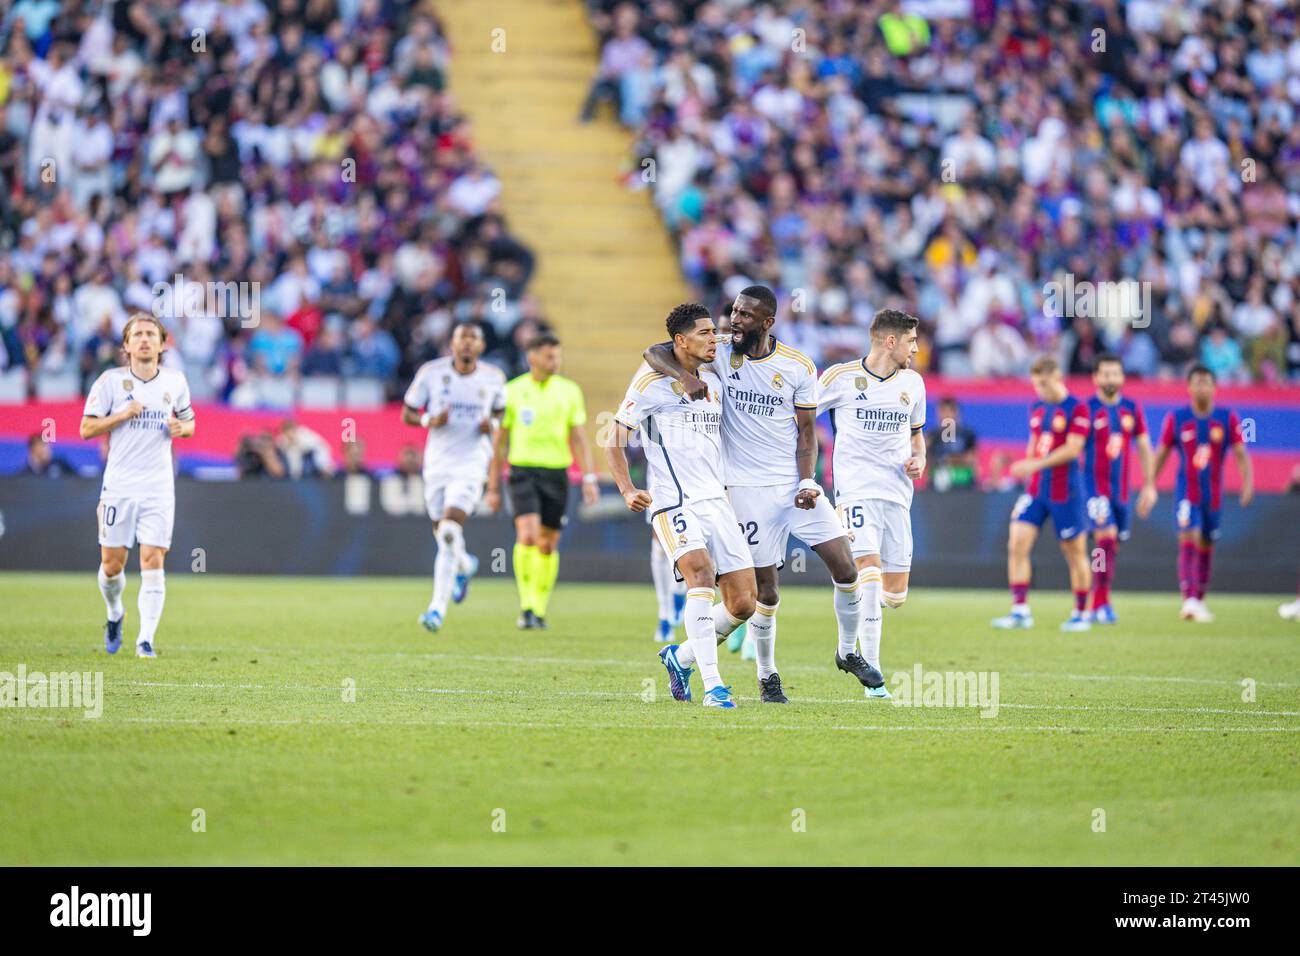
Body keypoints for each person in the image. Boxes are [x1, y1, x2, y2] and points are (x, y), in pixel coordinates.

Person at [644, 285, 875, 702]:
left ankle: (847, 652)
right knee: (761, 594)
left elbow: (808, 432)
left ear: (768, 322)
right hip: (744, 489)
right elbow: (653, 352)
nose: (735, 321)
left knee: (846, 566)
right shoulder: (718, 358)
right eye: (734, 312)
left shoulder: (797, 366)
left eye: (746, 315)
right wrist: (682, 377)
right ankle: (767, 676)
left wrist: (808, 480)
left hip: (793, 486)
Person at [607, 303, 756, 708]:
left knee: (744, 603)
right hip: (673, 501)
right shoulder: (649, 383)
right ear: (680, 340)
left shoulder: (715, 376)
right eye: (705, 333)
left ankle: (681, 656)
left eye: (714, 332)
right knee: (701, 578)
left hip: (716, 500)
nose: (714, 339)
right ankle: (714, 687)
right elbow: (614, 439)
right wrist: (626, 489)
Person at [818, 310, 927, 698]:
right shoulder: (839, 378)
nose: (917, 348)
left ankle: (854, 629)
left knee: (893, 596)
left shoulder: (913, 384)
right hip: (855, 489)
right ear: (890, 341)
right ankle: (870, 672)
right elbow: (799, 419)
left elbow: (917, 435)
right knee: (868, 569)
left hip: (896, 493)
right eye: (912, 341)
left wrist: (921, 459)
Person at [79, 313, 195, 658]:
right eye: (137, 335)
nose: (144, 340)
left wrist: (181, 429)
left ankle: (145, 640)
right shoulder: (109, 382)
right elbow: (86, 429)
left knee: (152, 558)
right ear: (126, 346)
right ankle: (115, 613)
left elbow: (189, 423)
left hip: (159, 487)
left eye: (151, 334)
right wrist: (121, 415)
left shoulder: (175, 381)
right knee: (112, 565)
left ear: (162, 344)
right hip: (119, 486)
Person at [487, 332, 599, 630]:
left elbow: (578, 438)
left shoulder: (569, 391)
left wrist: (588, 477)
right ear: (532, 357)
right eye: (550, 357)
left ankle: (538, 607)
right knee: (527, 535)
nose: (556, 362)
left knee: (548, 544)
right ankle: (526, 605)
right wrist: (493, 486)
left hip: (556, 473)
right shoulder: (511, 391)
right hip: (522, 470)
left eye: (558, 356)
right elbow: (499, 443)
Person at [402, 323, 506, 632]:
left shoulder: (494, 378)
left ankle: (436, 610)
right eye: (462, 338)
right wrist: (428, 419)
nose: (467, 344)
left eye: (473, 339)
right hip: (437, 464)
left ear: (481, 347)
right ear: (452, 343)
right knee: (442, 532)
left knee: (448, 530)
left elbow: (500, 413)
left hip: (472, 464)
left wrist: (493, 426)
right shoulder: (431, 373)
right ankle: (464, 564)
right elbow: (406, 412)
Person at [991, 356, 1093, 632]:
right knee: (1017, 543)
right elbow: (1034, 445)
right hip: (1037, 489)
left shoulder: (1078, 409)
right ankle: (1020, 610)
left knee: (1074, 552)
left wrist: (1034, 464)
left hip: (1066, 490)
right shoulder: (1037, 407)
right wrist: (1023, 469)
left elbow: (1073, 450)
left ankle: (1082, 614)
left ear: (1058, 376)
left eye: (1045, 383)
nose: (1041, 390)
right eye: (1037, 384)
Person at [1153, 366, 1254, 622]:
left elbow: (1241, 454)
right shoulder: (1177, 418)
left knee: (1207, 544)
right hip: (1187, 491)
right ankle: (1188, 598)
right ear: (1188, 387)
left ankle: (1199, 599)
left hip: (1214, 495)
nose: (1201, 387)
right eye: (1197, 383)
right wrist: (1149, 485)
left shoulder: (1226, 418)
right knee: (1189, 535)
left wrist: (1247, 483)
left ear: (1214, 387)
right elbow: (1161, 454)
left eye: (1206, 383)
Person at [1083, 355, 1159, 623]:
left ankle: (1100, 597)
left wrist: (1150, 485)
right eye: (1105, 374)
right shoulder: (1086, 410)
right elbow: (1072, 448)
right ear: (1095, 378)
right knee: (1105, 536)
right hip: (1092, 486)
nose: (1111, 379)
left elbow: (1143, 447)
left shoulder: (1132, 409)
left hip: (1121, 492)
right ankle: (1098, 602)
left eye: (1115, 373)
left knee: (1111, 545)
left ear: (1123, 378)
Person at [926, 396, 977, 491]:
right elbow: (927, 462)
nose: (946, 415)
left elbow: (971, 459)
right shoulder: (933, 435)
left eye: (950, 411)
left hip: (963, 484)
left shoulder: (966, 434)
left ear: (956, 412)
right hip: (937, 484)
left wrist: (949, 460)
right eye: (943, 411)